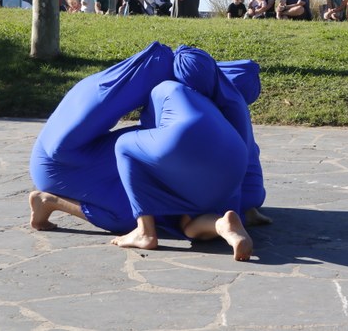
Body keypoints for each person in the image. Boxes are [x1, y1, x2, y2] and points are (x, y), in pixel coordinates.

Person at [28, 43, 269, 260]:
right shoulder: (228, 101)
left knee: (126, 149)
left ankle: (145, 232)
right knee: (188, 220)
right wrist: (249, 204)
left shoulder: (165, 88)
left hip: (177, 147)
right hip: (232, 166)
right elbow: (248, 151)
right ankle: (223, 224)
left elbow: (151, 131)